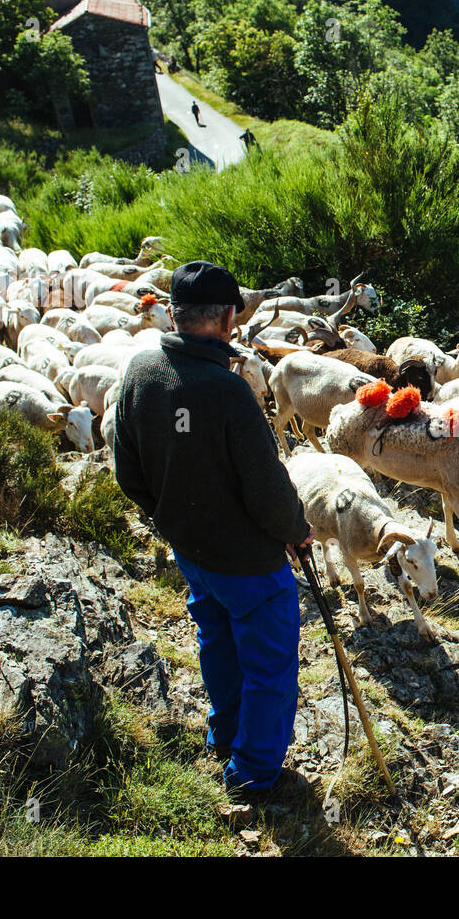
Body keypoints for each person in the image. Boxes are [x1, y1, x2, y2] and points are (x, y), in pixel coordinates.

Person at [112, 261, 314, 800]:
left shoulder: (139, 373)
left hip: (191, 551)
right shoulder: (228, 393)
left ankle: (224, 737)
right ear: (227, 318)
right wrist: (297, 530)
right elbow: (267, 489)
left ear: (174, 314)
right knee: (269, 667)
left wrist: (173, 516)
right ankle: (252, 772)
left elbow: (127, 473)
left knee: (217, 639)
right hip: (248, 562)